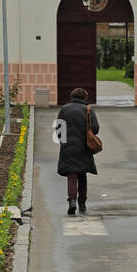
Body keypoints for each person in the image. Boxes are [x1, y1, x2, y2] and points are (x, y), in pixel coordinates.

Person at [56, 86, 99, 215]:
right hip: (84, 146)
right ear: (84, 97)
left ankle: (72, 200)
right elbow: (95, 128)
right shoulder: (88, 110)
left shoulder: (64, 109)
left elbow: (58, 127)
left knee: (72, 174)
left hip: (67, 146)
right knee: (82, 173)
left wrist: (63, 141)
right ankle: (82, 202)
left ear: (72, 96)